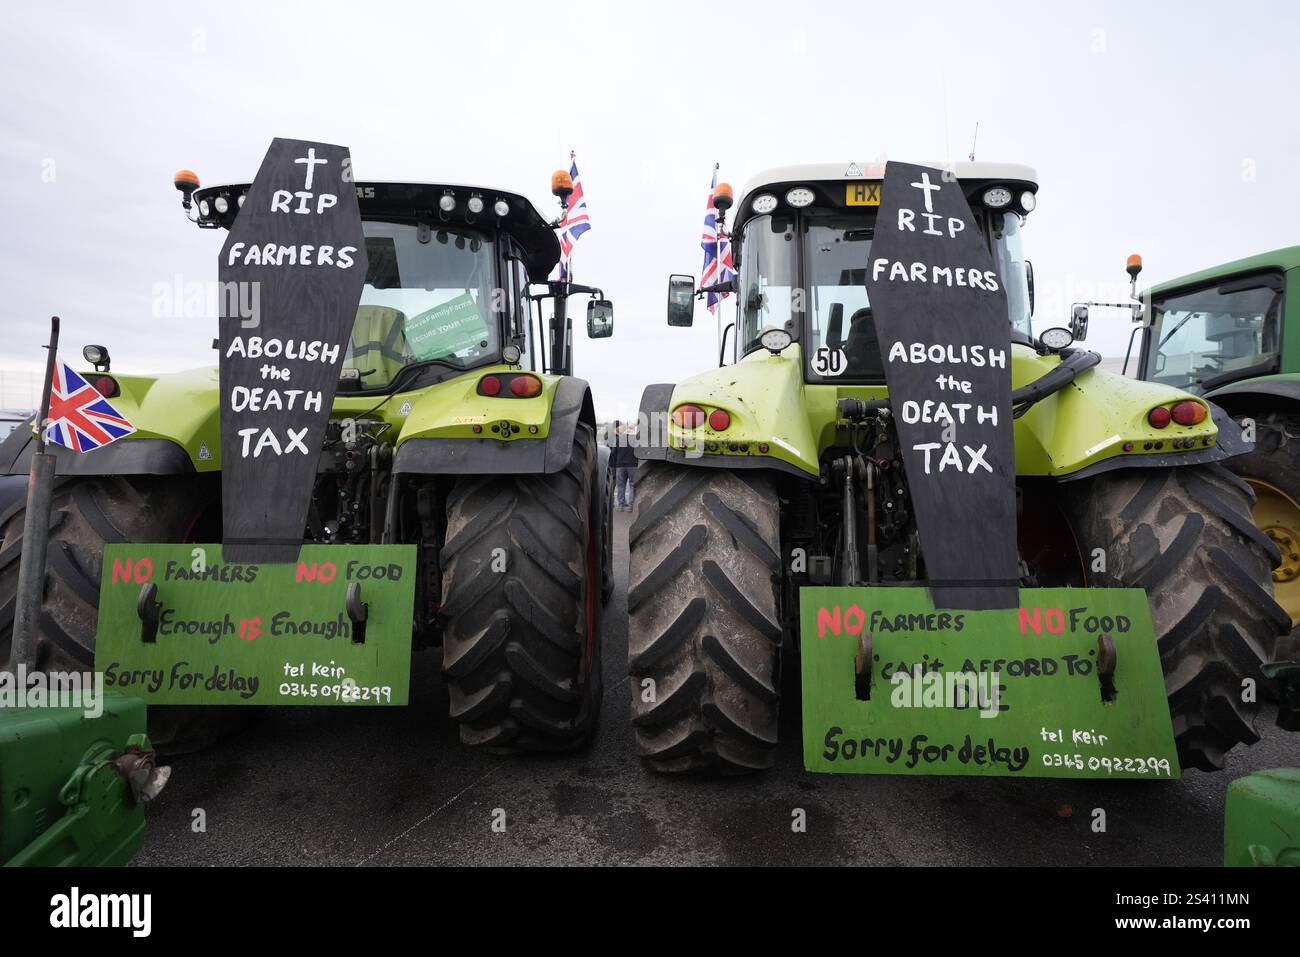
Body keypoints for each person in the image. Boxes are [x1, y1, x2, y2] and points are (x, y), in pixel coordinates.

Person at [610, 420, 638, 511]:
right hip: (633, 465)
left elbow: (614, 453)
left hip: (620, 466)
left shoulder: (619, 439)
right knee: (632, 485)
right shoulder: (636, 440)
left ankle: (621, 506)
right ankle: (630, 506)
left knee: (620, 486)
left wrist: (613, 465)